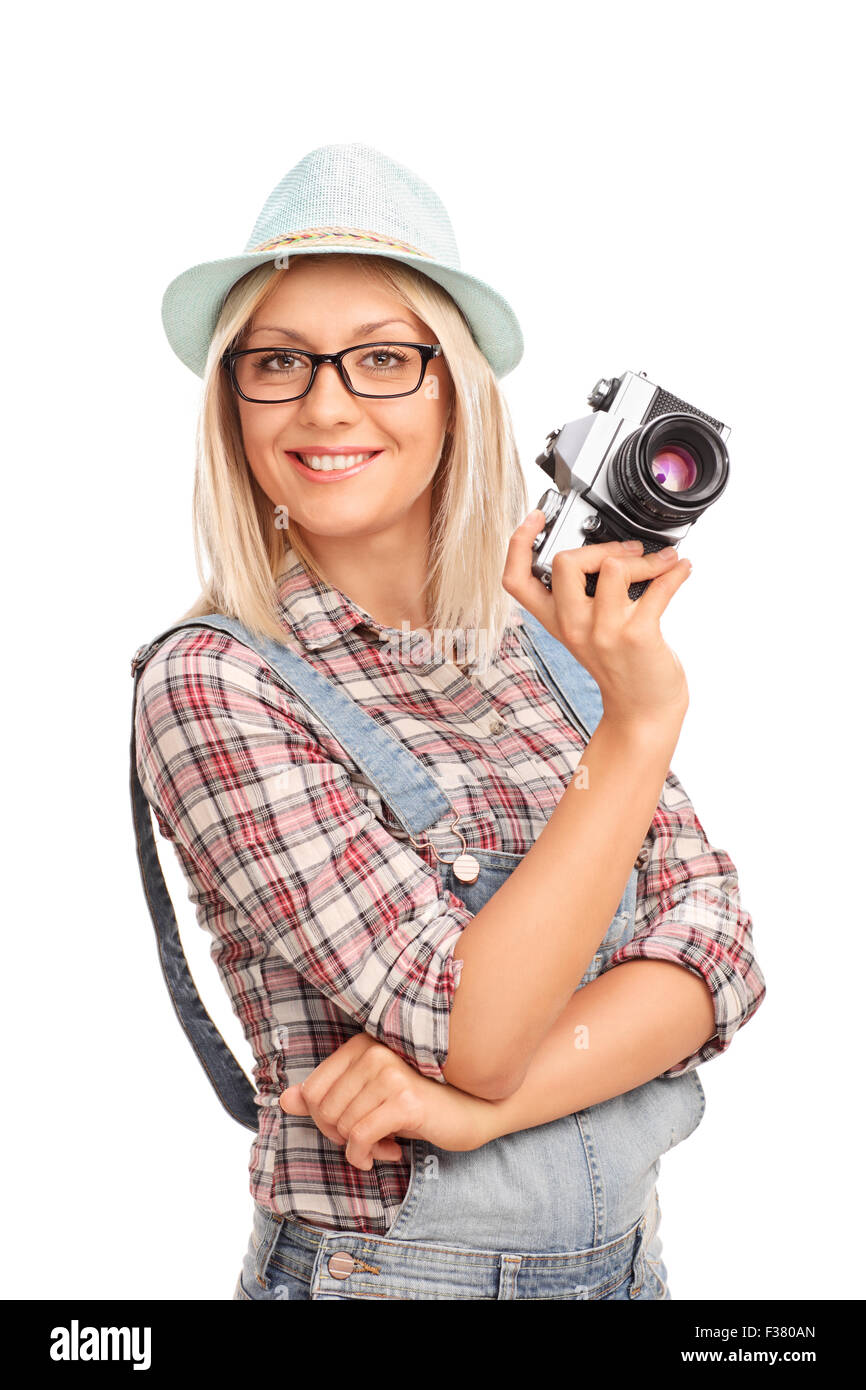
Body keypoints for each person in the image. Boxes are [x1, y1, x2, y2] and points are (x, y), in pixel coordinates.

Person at [131, 143, 766, 1301]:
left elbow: (715, 953)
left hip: (630, 1274)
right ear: (232, 400)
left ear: (452, 389)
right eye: (277, 362)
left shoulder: (546, 639)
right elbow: (465, 1023)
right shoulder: (214, 683)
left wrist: (482, 1112)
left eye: (382, 357)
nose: (326, 404)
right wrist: (635, 730)